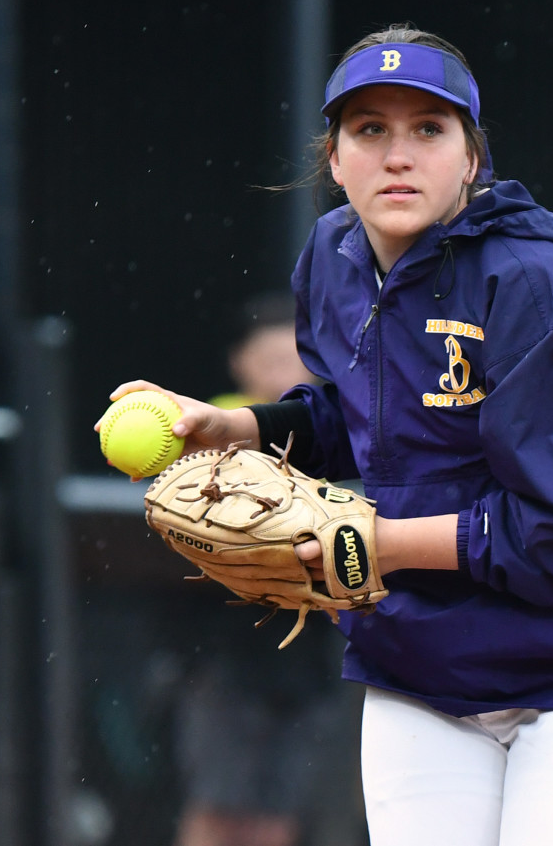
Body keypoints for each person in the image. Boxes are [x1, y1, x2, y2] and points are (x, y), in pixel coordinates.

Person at [98, 24, 553, 846]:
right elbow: (363, 425)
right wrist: (236, 426)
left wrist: (373, 541)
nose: (398, 154)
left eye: (428, 128)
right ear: (335, 158)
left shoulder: (544, 281)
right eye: (369, 129)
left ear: (472, 157)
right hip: (424, 665)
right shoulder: (335, 256)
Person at [171, 291, 365, 846]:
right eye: (269, 359)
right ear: (241, 362)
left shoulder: (332, 434)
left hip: (306, 661)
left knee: (275, 816)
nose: (282, 371)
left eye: (293, 359)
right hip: (225, 656)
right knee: (218, 806)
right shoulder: (208, 432)